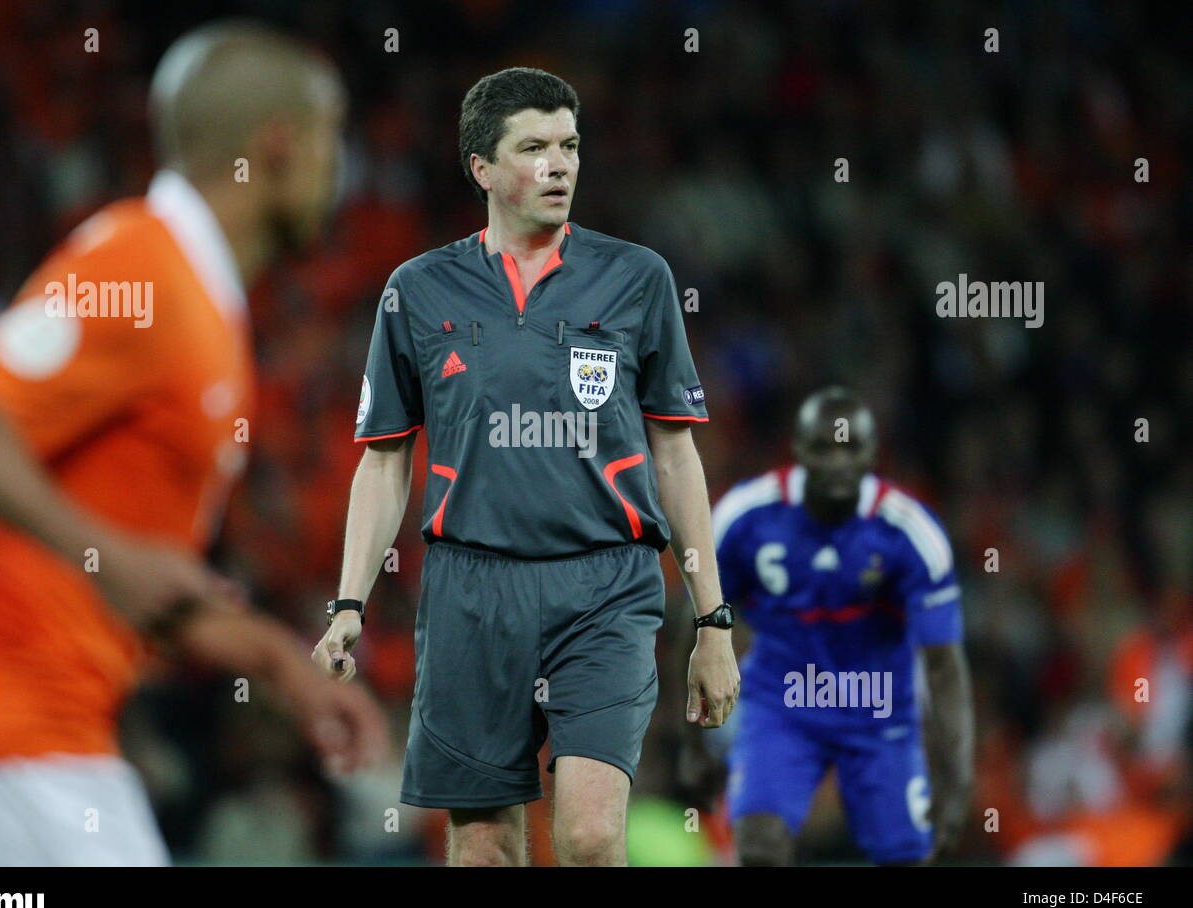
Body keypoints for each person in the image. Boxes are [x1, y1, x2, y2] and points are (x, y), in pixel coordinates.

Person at [0, 20, 385, 866]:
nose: (337, 170)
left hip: (23, 732)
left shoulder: (205, 301)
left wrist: (279, 664)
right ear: (276, 144)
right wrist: (108, 553)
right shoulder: (145, 264)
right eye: (328, 140)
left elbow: (145, 584)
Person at [312, 67, 739, 866]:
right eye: (534, 147)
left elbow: (676, 455)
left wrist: (713, 622)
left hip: (605, 586)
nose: (560, 165)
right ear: (482, 168)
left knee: (586, 836)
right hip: (471, 590)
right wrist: (349, 604)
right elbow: (382, 464)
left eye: (570, 146)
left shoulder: (638, 279)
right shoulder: (418, 289)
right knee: (481, 850)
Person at [712, 387, 973, 865]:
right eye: (824, 447)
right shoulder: (743, 518)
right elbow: (705, 621)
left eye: (850, 448)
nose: (837, 461)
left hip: (877, 709)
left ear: (875, 453)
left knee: (906, 857)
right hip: (784, 703)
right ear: (798, 451)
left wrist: (957, 778)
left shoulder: (910, 533)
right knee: (758, 846)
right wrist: (693, 733)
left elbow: (944, 665)